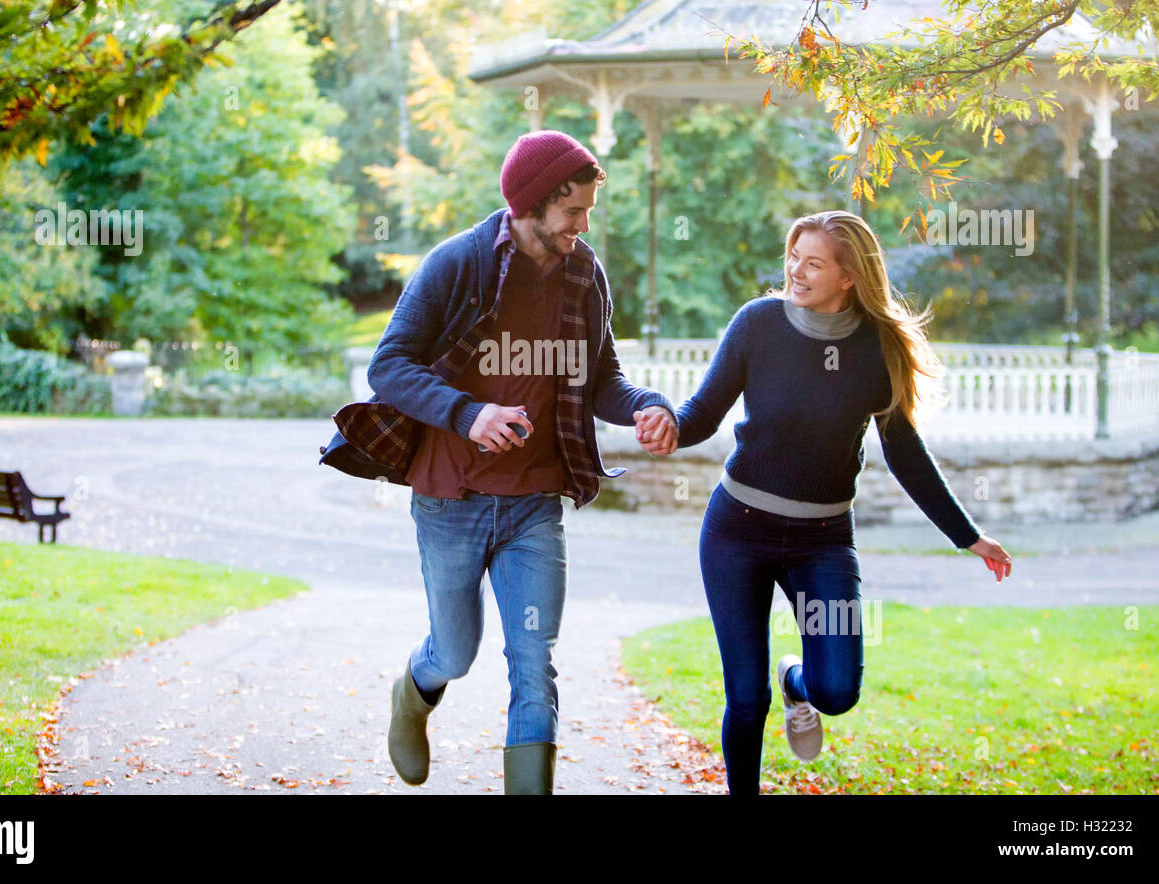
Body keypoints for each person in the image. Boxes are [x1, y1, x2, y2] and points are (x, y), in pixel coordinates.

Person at [319, 129, 678, 794]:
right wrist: (468, 414)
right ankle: (413, 694)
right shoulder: (459, 264)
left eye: (589, 212)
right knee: (454, 653)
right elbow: (387, 365)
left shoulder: (584, 273)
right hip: (450, 500)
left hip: (534, 504)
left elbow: (601, 380)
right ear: (532, 204)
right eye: (574, 211)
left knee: (533, 662)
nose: (583, 224)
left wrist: (650, 407)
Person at [635, 208, 1012, 795]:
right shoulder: (758, 324)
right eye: (794, 257)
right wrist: (670, 430)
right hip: (737, 533)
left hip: (822, 543)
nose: (796, 271)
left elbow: (905, 452)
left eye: (813, 263)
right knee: (744, 696)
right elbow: (702, 413)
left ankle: (797, 682)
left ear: (849, 278)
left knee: (837, 690)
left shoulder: (875, 347)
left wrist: (968, 535)